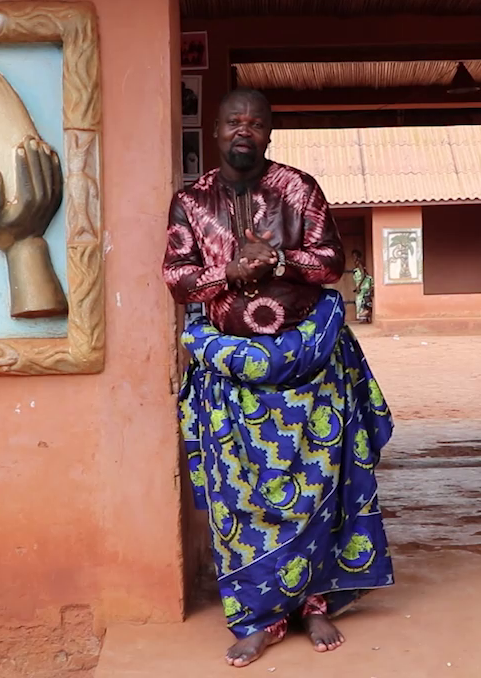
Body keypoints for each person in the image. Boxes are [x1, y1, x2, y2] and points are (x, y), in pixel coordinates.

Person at [163, 89, 395, 668]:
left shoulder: (300, 188)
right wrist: (229, 271)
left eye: (256, 122)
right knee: (236, 497)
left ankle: (314, 604)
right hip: (231, 375)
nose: (244, 129)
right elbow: (176, 277)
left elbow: (332, 263)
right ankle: (257, 616)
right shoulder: (190, 201)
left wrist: (280, 262)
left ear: (270, 132)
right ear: (214, 131)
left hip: (312, 370)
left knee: (322, 492)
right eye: (233, 120)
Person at [350, 250, 373, 323]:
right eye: (353, 256)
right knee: (362, 301)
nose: (353, 258)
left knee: (360, 301)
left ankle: (364, 318)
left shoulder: (360, 264)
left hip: (363, 285)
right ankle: (364, 318)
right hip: (361, 285)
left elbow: (363, 275)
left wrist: (359, 286)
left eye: (355, 256)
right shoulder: (357, 264)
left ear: (358, 256)